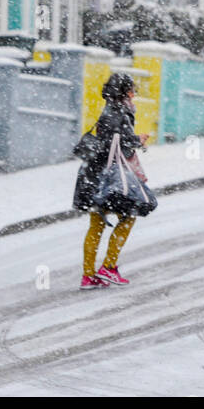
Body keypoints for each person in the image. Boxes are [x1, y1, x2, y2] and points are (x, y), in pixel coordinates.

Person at [73, 73, 147, 289]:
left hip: (92, 175)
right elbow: (114, 144)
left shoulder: (108, 110)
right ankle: (109, 267)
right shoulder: (121, 113)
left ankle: (89, 275)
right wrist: (137, 140)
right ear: (125, 92)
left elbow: (109, 141)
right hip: (110, 177)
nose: (134, 94)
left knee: (96, 225)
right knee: (129, 216)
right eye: (132, 90)